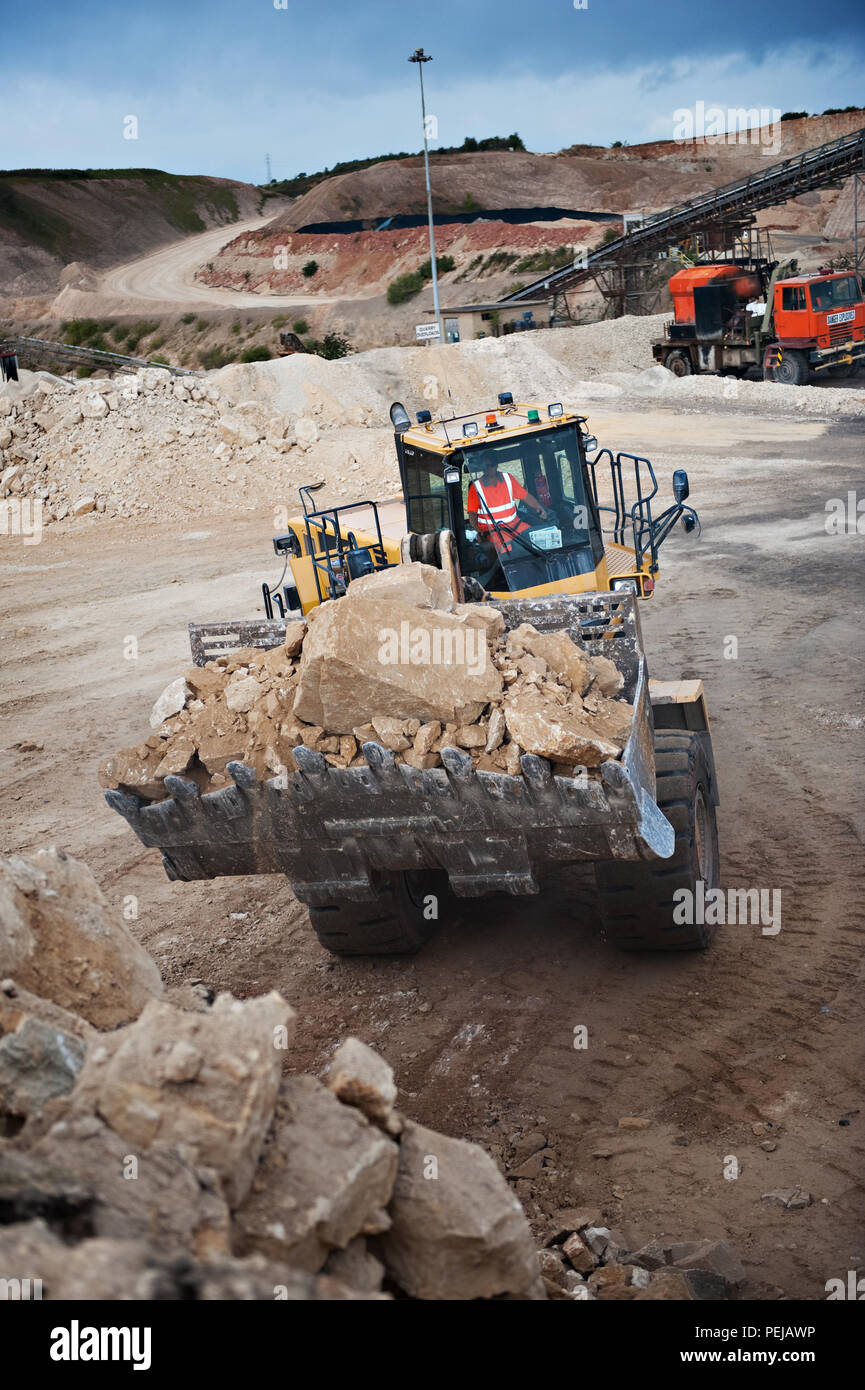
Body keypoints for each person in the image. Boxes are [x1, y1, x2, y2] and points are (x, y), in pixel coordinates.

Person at [466, 458, 551, 551]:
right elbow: (472, 515)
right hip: (493, 530)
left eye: (492, 465)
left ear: (496, 465)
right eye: (486, 466)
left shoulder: (508, 479)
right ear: (482, 468)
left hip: (516, 525)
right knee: (508, 550)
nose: (489, 468)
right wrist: (480, 533)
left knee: (535, 539)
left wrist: (538, 507)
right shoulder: (475, 487)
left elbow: (525, 496)